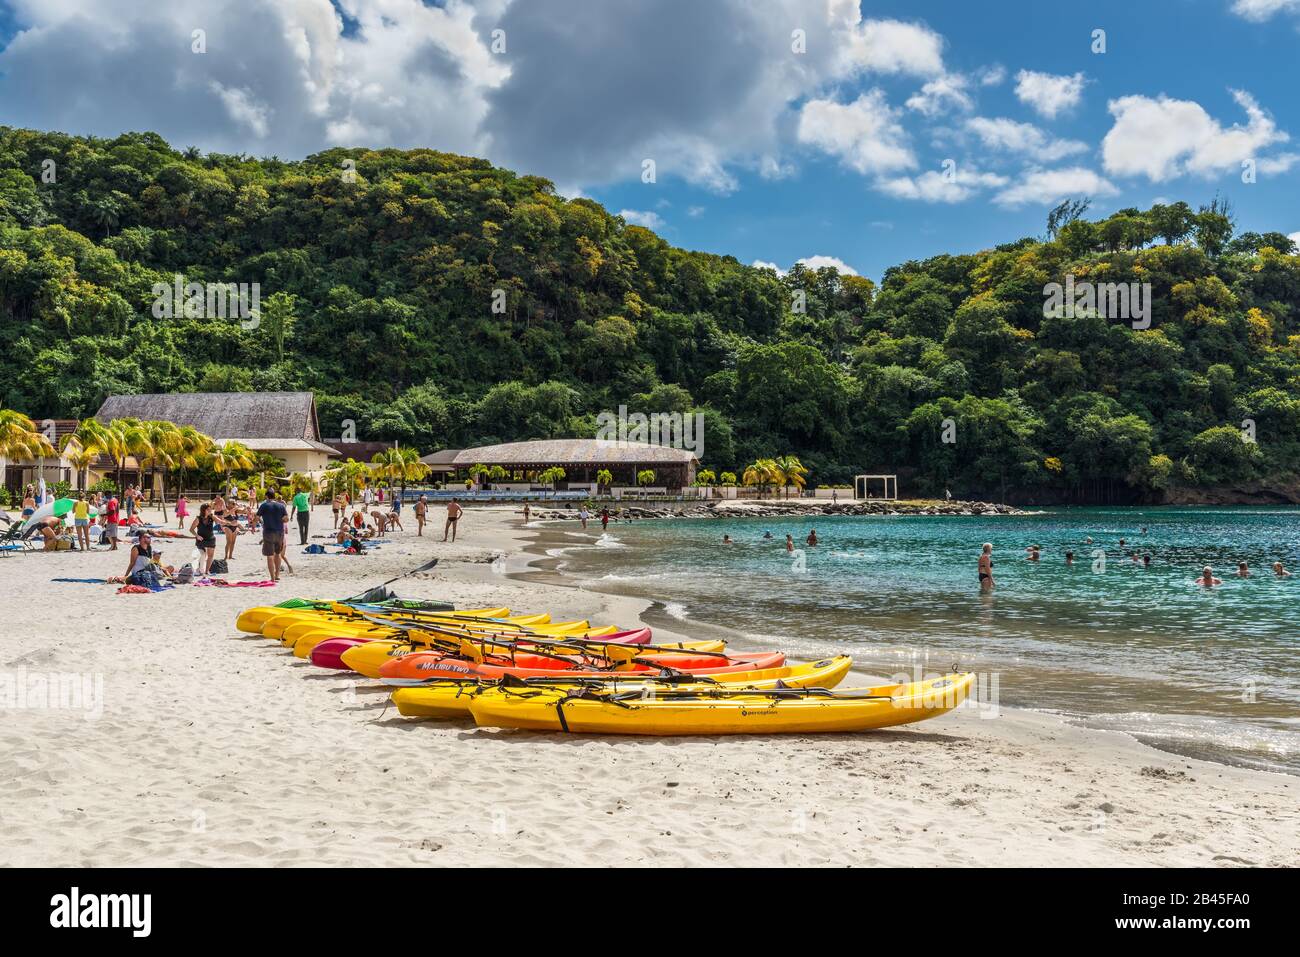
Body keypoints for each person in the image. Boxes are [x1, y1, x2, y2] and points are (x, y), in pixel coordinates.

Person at [256, 490, 288, 582]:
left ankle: (272, 578)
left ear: (266, 497)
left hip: (268, 532)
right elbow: (286, 519)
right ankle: (277, 575)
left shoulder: (264, 505)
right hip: (279, 533)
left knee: (270, 556)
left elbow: (257, 518)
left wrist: (254, 525)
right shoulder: (281, 506)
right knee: (277, 554)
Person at [190, 503, 217, 575]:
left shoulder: (212, 517)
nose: (210, 510)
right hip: (201, 539)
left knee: (210, 555)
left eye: (210, 509)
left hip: (210, 538)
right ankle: (199, 569)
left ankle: (207, 571)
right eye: (208, 509)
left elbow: (220, 521)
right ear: (203, 510)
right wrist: (197, 535)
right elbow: (191, 529)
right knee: (202, 554)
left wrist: (228, 523)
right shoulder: (198, 519)